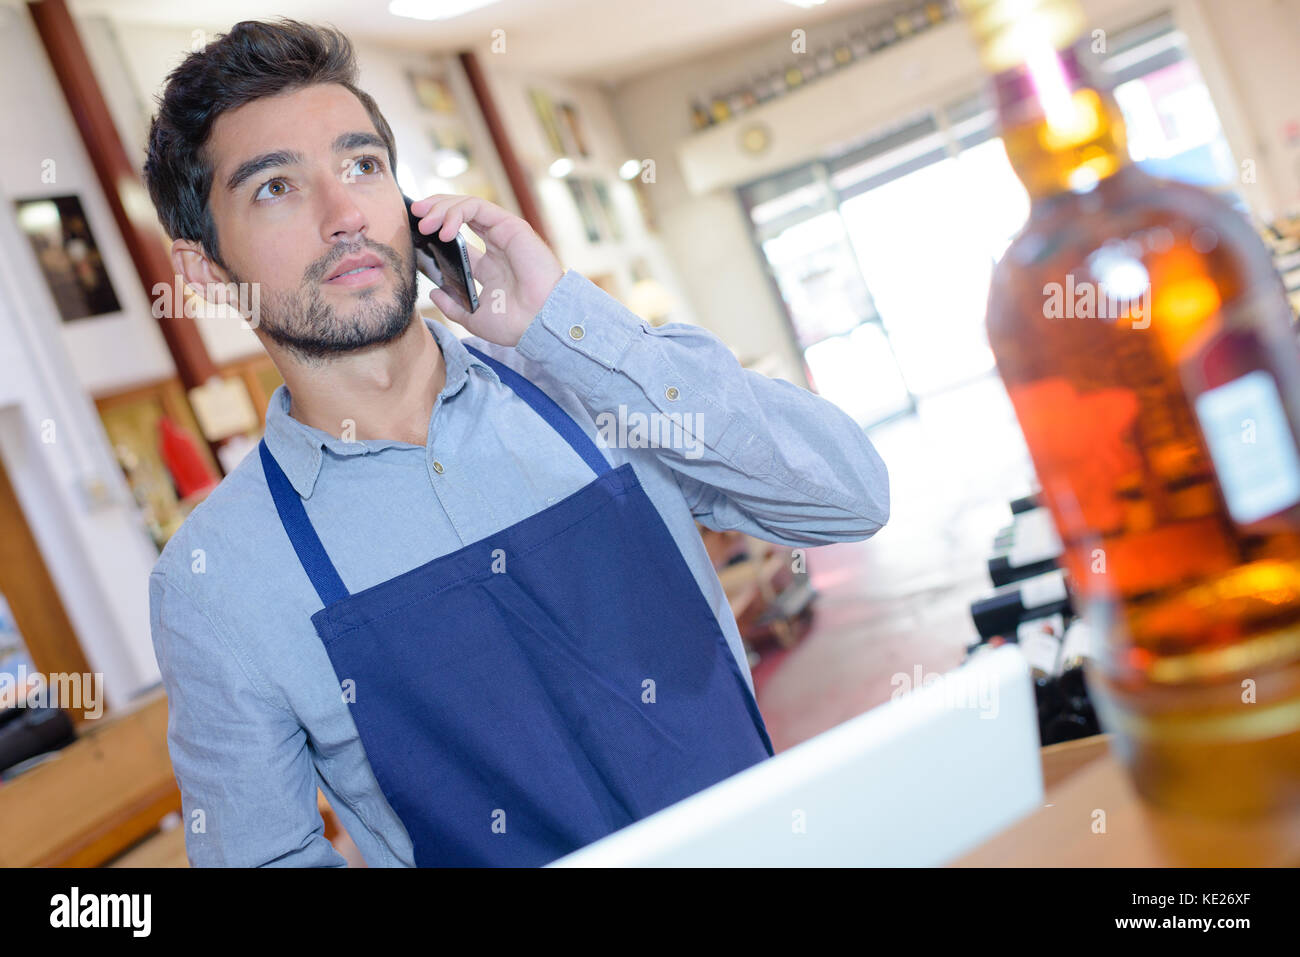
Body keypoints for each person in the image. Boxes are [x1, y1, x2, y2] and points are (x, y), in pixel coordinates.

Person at [143, 18, 890, 867]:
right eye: (275, 187)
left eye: (362, 166)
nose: (344, 214)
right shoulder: (217, 582)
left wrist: (571, 325)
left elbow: (849, 495)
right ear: (203, 269)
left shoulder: (589, 385)